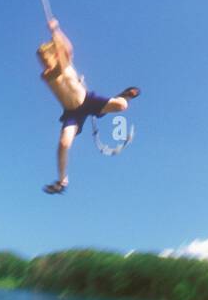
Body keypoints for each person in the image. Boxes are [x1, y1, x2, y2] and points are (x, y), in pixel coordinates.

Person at [38, 18, 139, 194]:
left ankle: (120, 96)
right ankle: (62, 181)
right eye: (42, 61)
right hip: (72, 113)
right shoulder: (47, 75)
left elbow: (68, 50)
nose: (43, 64)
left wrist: (56, 30)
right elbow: (61, 63)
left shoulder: (65, 62)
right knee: (63, 144)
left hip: (88, 100)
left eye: (45, 59)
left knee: (122, 106)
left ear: (52, 55)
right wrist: (56, 37)